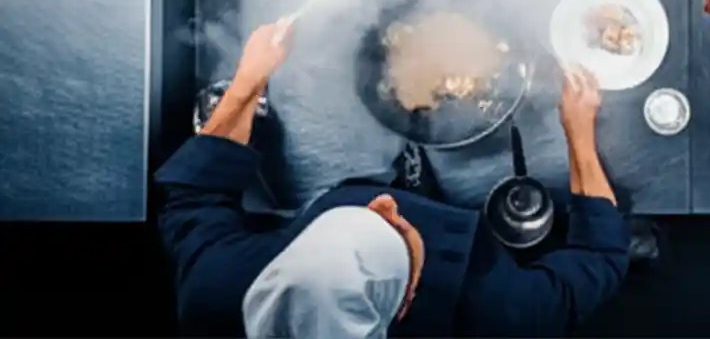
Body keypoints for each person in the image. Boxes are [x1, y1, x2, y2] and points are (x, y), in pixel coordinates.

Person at [155, 21, 628, 337]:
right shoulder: (497, 310)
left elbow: (192, 197)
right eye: (397, 232)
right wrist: (579, 131)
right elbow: (601, 256)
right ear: (405, 306)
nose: (382, 202)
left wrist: (248, 81)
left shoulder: (216, 290)